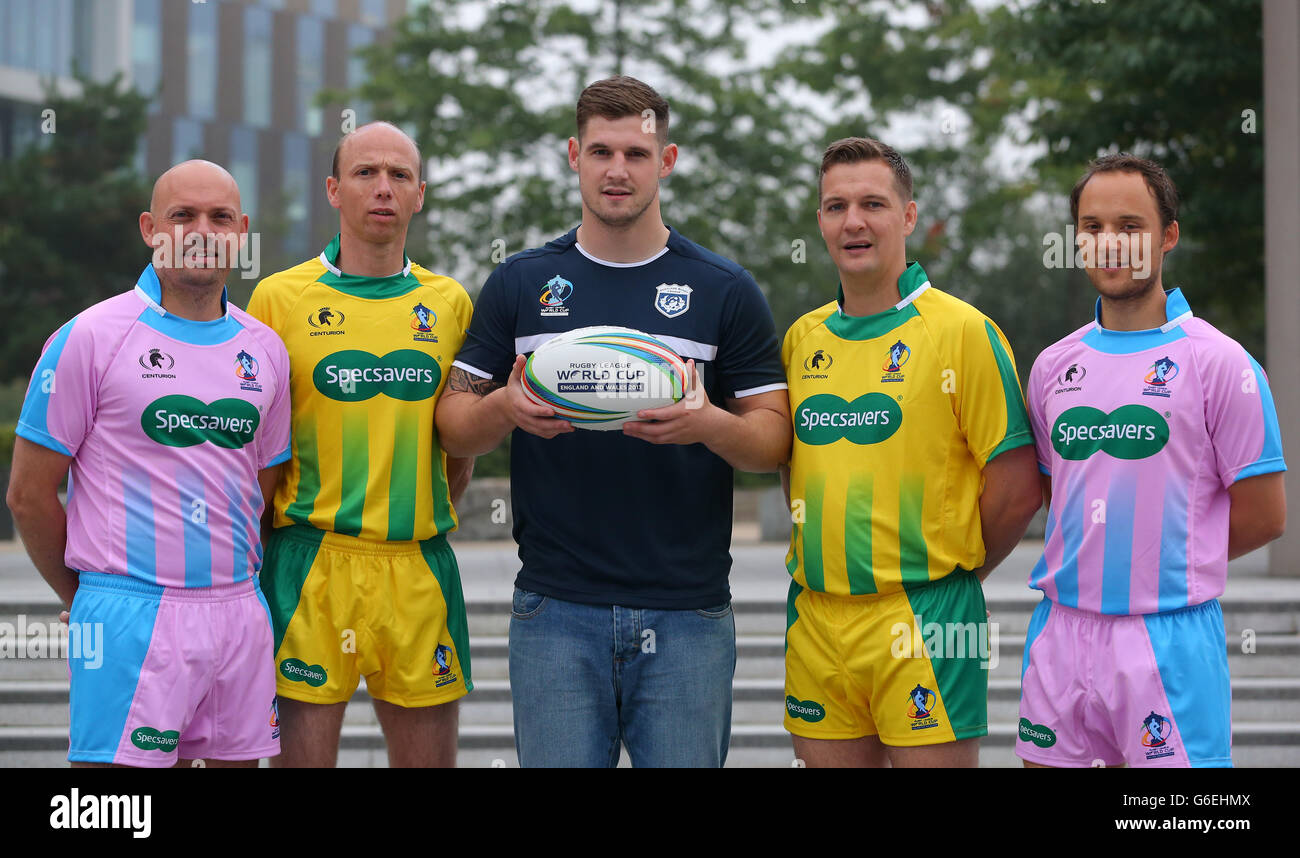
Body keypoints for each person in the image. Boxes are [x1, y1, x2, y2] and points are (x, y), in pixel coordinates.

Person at [435, 76, 791, 767]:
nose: (618, 170)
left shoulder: (724, 289)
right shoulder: (520, 283)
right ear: (574, 155)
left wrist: (706, 424)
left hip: (688, 612)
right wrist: (505, 408)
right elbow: (451, 421)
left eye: (636, 152)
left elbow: (772, 438)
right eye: (601, 151)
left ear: (668, 159)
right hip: (555, 611)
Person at [6, 160, 290, 767]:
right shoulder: (90, 336)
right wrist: (85, 595)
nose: (201, 230)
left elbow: (256, 489)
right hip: (129, 613)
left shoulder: (265, 350)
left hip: (239, 611)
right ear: (149, 228)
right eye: (182, 215)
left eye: (219, 217)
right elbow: (29, 496)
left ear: (241, 231)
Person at [1017, 154, 1286, 768]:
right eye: (1092, 227)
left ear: (1168, 236)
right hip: (1061, 631)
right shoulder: (1053, 366)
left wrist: (1162, 565)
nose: (1110, 244)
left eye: (1130, 226)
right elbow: (1062, 497)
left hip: (1168, 639)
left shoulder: (1222, 363)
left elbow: (1265, 518)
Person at [780, 138, 1041, 768]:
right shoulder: (800, 338)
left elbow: (1019, 483)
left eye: (873, 203)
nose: (854, 221)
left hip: (926, 615)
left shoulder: (962, 332)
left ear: (908, 216)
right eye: (836, 206)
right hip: (816, 616)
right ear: (820, 221)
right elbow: (797, 470)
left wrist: (957, 575)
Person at [247, 122, 475, 768]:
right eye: (365, 173)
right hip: (309, 562)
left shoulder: (450, 302)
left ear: (420, 194)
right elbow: (259, 442)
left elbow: (458, 444)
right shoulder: (278, 298)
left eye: (400, 176)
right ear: (332, 190)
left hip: (417, 566)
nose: (383, 189)